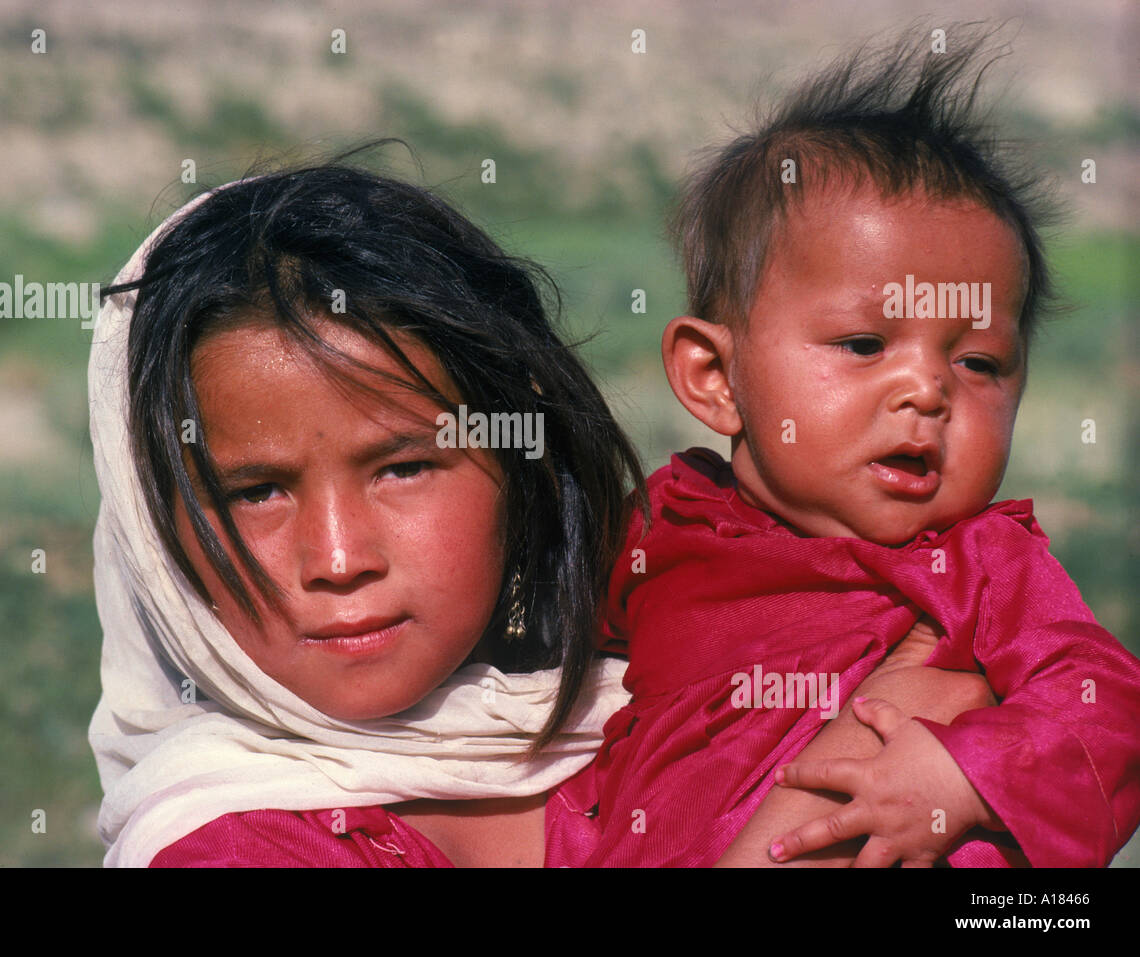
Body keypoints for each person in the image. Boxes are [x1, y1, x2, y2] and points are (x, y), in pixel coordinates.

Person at [87, 153, 996, 868]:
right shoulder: (230, 842)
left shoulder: (676, 695)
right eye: (258, 490)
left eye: (404, 467)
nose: (338, 557)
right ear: (155, 528)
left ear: (519, 461)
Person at [590, 27, 1140, 867]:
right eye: (863, 344)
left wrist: (963, 775)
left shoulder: (982, 563)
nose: (926, 392)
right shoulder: (661, 526)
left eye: (979, 362)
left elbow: (1106, 704)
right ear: (714, 375)